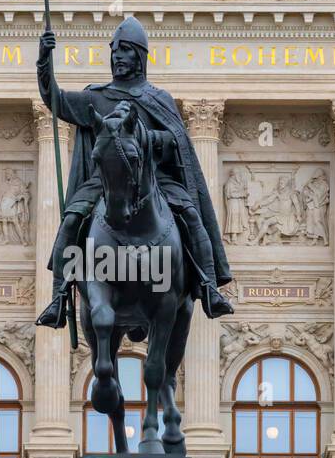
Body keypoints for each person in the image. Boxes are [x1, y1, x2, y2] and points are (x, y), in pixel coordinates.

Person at [35, 16, 232, 328]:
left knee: (192, 216)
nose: (117, 57)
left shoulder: (158, 98)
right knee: (72, 219)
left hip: (156, 180)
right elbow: (55, 101)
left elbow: (176, 143)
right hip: (105, 183)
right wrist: (44, 62)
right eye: (114, 51)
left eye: (125, 51)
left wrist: (148, 139)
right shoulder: (97, 97)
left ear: (139, 57)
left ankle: (208, 287)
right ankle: (59, 297)